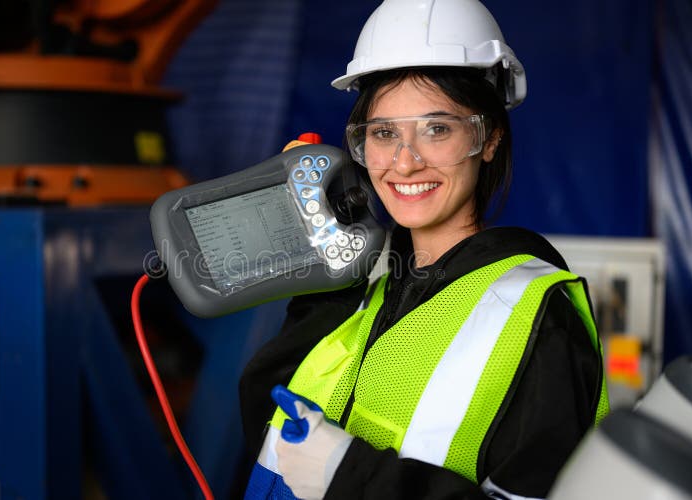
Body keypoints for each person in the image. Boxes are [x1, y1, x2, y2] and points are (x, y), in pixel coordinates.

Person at [240, 0, 609, 498]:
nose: (405, 162)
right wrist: (321, 273)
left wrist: (351, 474)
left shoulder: (538, 319)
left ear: (490, 138)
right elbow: (262, 411)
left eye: (437, 129)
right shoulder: (362, 281)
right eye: (384, 133)